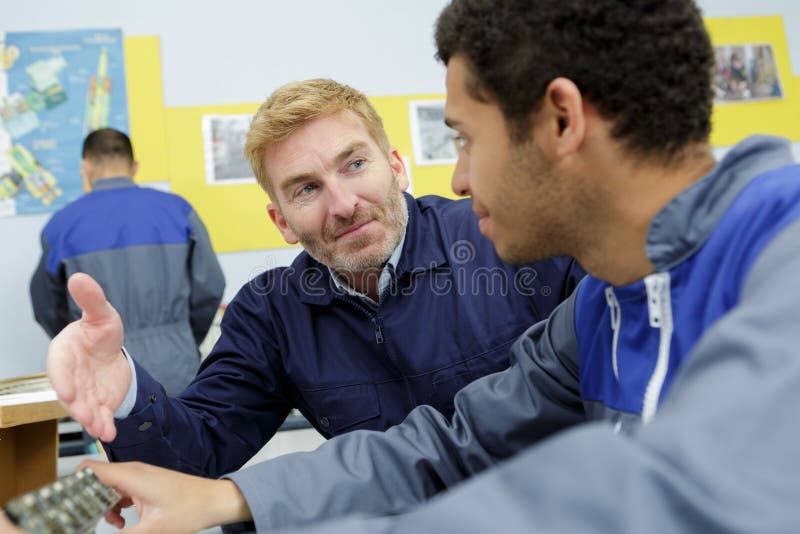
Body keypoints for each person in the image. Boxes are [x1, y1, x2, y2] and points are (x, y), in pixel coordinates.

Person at [35, 0, 800, 531]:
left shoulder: (773, 252)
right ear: (280, 218)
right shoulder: (603, 302)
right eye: (306, 188)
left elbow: (685, 493)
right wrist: (229, 494)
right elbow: (446, 444)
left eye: (462, 138)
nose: (459, 178)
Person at [45, 80, 584, 479]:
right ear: (280, 221)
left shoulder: (513, 239)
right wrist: (126, 395)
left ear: (396, 167)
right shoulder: (272, 314)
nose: (343, 205)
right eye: (306, 189)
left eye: (353, 165)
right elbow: (195, 454)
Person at [30, 128, 225, 396]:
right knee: (184, 435)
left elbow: (46, 307)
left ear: (86, 166)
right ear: (134, 166)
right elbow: (211, 285)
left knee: (110, 438)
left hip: (102, 371)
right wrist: (182, 336)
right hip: (177, 364)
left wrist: (84, 342)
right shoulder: (177, 210)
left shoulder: (61, 225)